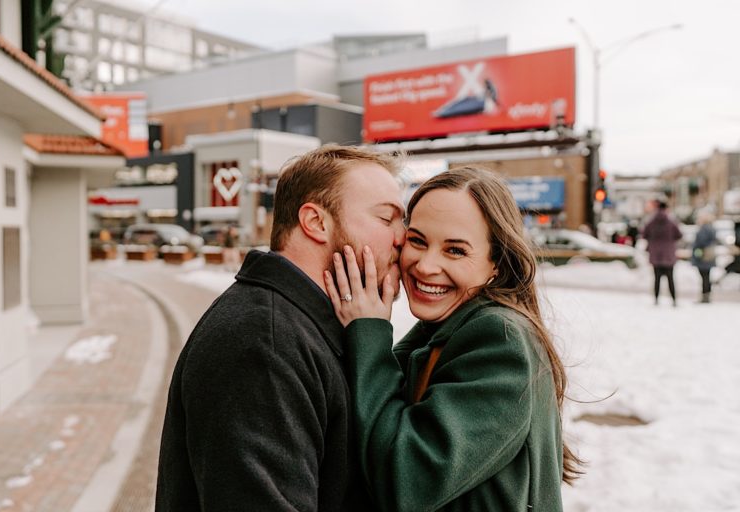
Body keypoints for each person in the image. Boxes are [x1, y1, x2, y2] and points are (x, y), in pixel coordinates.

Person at [155, 144, 406, 511]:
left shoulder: (302, 326)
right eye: (386, 219)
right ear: (316, 222)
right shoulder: (264, 344)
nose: (402, 237)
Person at [323, 167, 581, 511]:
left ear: (496, 264)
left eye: (455, 250)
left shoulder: (500, 339)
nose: (426, 266)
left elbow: (407, 481)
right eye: (417, 241)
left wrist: (368, 331)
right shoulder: (445, 329)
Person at [642, 200, 682, 306]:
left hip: (655, 255)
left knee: (657, 279)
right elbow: (679, 235)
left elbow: (644, 234)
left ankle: (656, 299)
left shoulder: (651, 221)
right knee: (670, 279)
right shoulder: (671, 222)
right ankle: (674, 300)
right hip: (668, 255)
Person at [691, 210, 717, 303]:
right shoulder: (711, 228)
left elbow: (700, 242)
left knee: (704, 277)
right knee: (706, 276)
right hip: (708, 255)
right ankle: (707, 295)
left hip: (703, 255)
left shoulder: (704, 229)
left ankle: (705, 296)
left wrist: (696, 249)